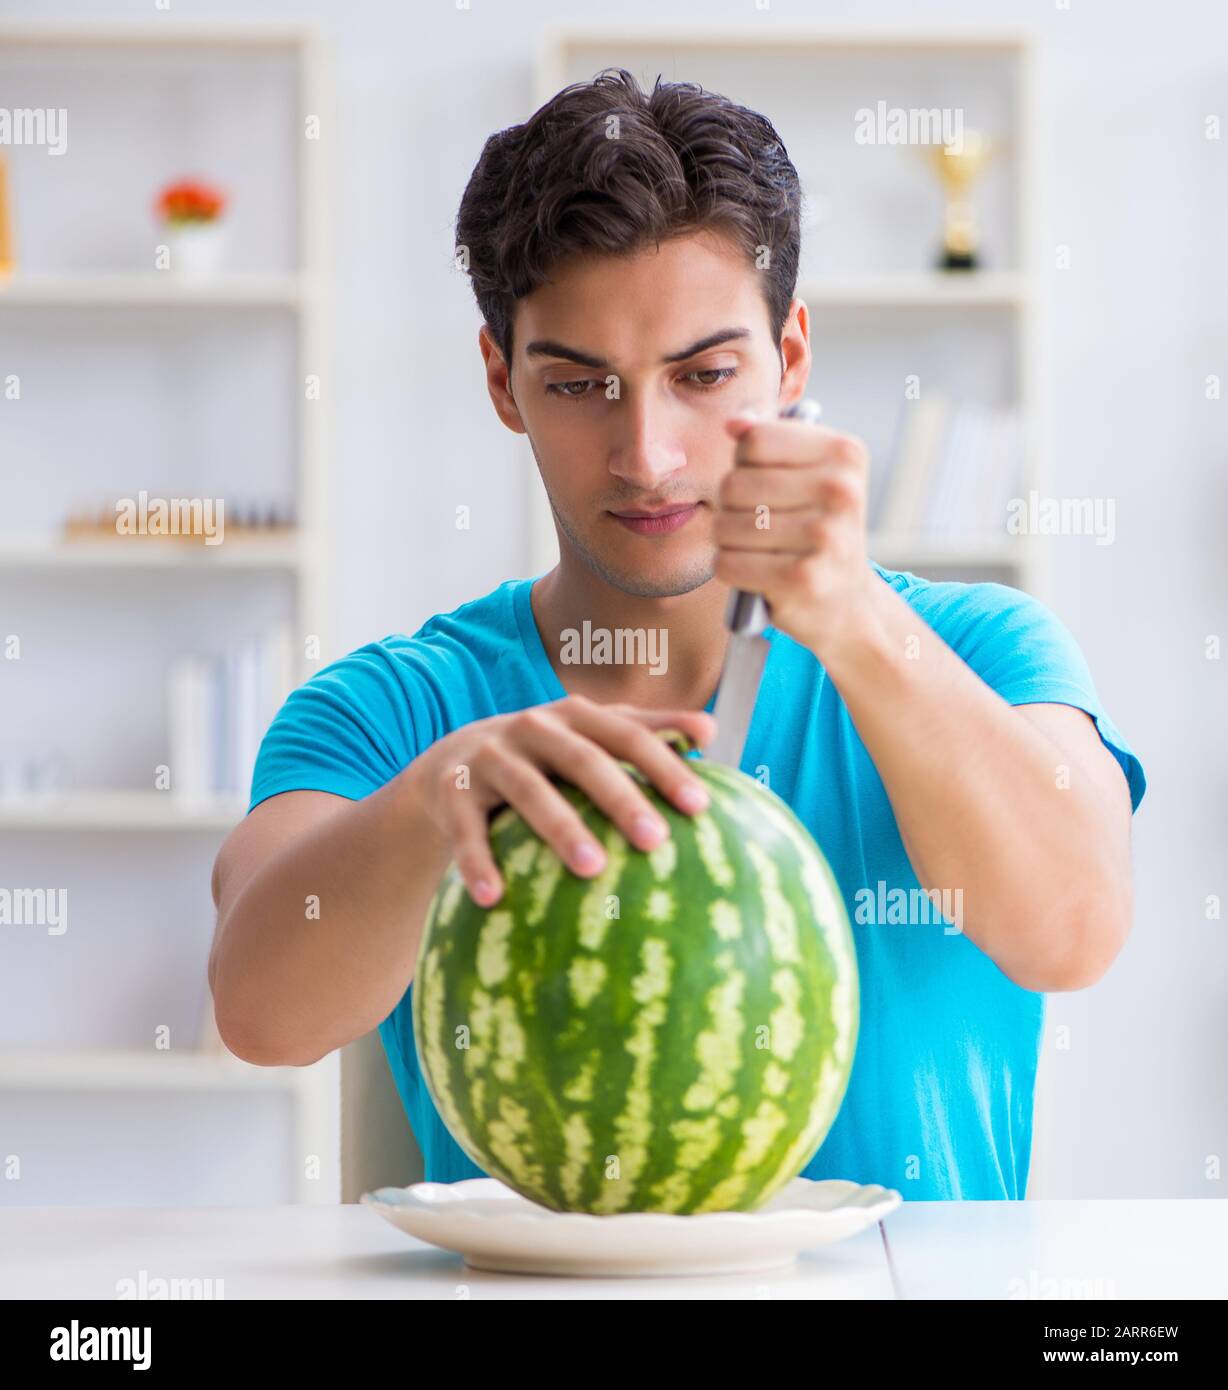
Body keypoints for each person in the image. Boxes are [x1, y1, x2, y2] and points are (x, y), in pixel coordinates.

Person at [208, 69, 1146, 1202]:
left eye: (703, 375)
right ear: (502, 381)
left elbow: (1076, 933)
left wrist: (852, 619)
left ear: (789, 358)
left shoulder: (977, 648)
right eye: (579, 385)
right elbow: (258, 1013)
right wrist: (441, 790)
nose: (646, 454)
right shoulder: (397, 707)